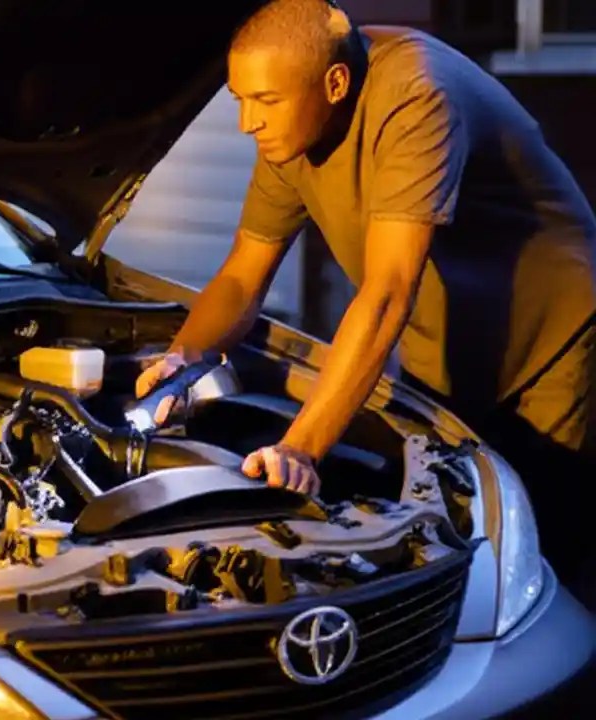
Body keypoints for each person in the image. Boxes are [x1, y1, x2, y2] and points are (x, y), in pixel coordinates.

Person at [135, 0, 596, 600]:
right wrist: (182, 361)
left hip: (555, 339)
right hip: (449, 347)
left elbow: (387, 292)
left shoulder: (415, 97)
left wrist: (301, 447)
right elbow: (244, 275)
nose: (248, 122)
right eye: (240, 100)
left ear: (334, 83)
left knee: (538, 560)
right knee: (451, 547)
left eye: (265, 100)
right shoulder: (292, 133)